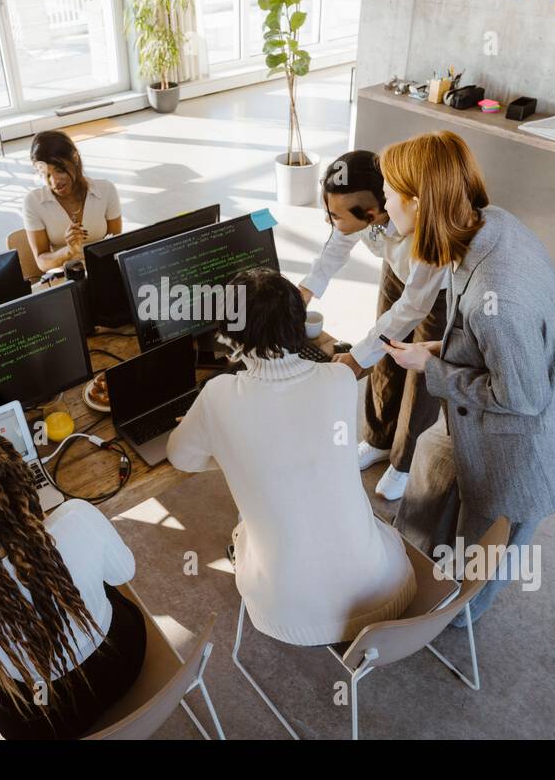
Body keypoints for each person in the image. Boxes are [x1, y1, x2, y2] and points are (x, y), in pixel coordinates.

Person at [377, 130, 555, 625]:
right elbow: (487, 340)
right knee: (433, 458)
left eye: (388, 192)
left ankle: (455, 614)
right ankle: (410, 568)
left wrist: (431, 368)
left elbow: (519, 395)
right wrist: (441, 348)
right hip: (501, 400)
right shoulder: (492, 224)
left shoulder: (497, 297)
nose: (382, 201)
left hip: (524, 439)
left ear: (417, 203)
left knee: (483, 554)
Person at [167, 267, 416, 647]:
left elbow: (181, 457)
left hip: (290, 615)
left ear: (229, 334)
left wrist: (228, 445)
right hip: (385, 588)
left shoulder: (219, 396)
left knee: (246, 528)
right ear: (298, 323)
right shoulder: (339, 380)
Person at [0, 430, 146, 739]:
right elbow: (123, 572)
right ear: (24, 485)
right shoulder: (77, 516)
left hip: (49, 724)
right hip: (123, 663)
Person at [299, 150, 450, 502]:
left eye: (334, 215)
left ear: (372, 214)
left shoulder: (426, 231)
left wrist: (354, 358)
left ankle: (403, 461)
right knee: (383, 354)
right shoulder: (367, 207)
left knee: (419, 371)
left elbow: (414, 307)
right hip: (397, 270)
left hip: (437, 289)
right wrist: (306, 289)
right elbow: (338, 243)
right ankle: (379, 440)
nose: (328, 220)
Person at [23, 129, 122, 272]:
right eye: (46, 174)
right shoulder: (33, 202)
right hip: (65, 276)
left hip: (103, 270)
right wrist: (68, 251)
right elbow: (42, 263)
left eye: (59, 170)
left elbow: (117, 245)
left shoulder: (106, 190)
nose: (54, 182)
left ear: (75, 158)